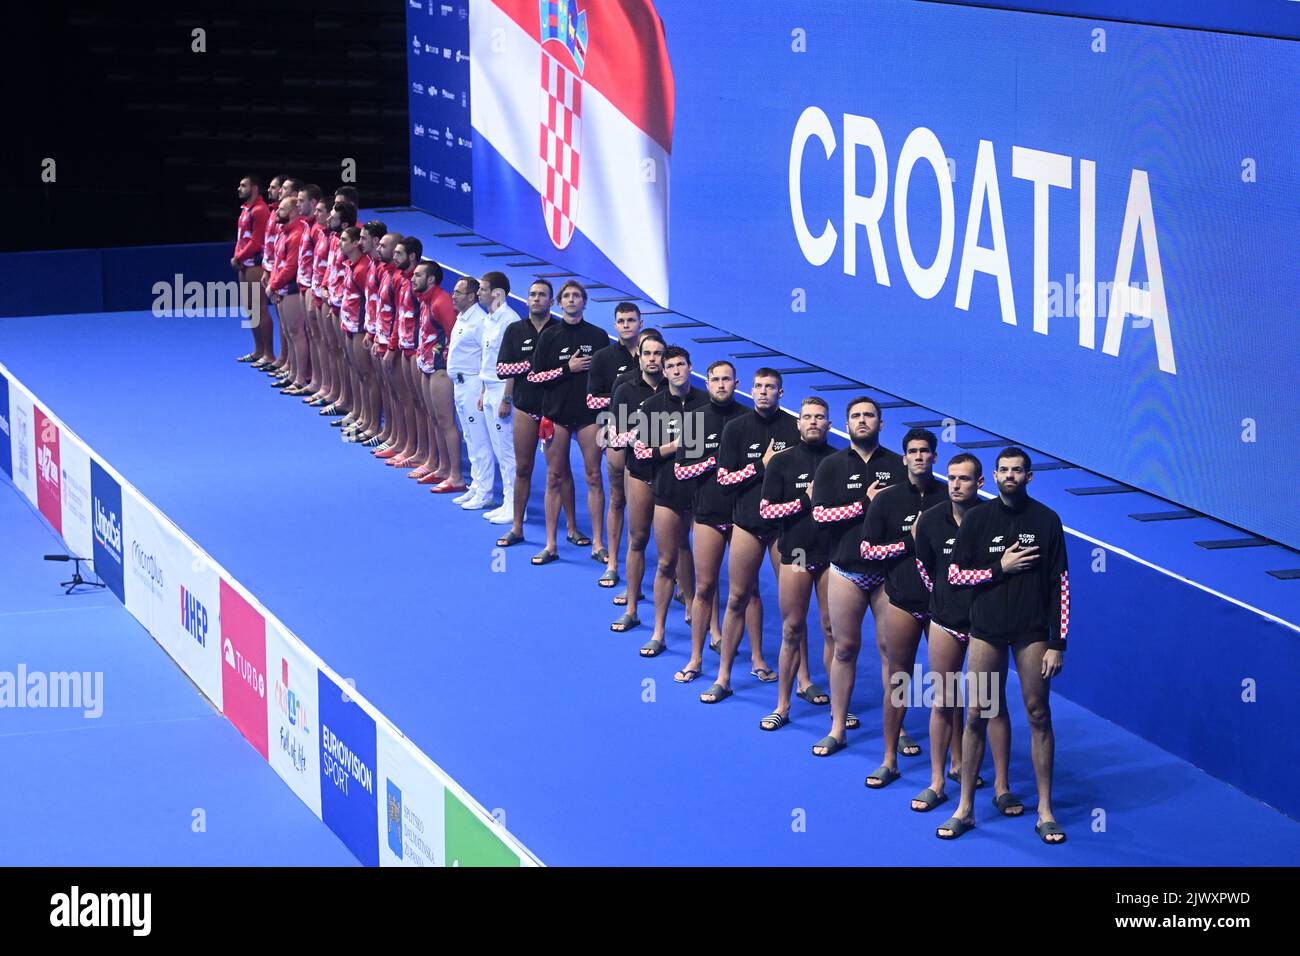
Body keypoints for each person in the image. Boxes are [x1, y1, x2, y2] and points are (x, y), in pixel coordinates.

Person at [937, 447, 1070, 845]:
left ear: (1029, 477)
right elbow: (956, 577)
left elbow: (1059, 585)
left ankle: (1045, 810)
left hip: (1031, 634)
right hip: (987, 631)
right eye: (1004, 470)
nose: (1010, 476)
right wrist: (1001, 568)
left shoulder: (1047, 521)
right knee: (977, 711)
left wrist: (1057, 643)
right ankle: (965, 808)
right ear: (993, 477)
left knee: (1038, 712)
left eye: (1018, 471)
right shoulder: (978, 519)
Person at [910, 453, 1009, 813]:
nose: (955, 484)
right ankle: (937, 781)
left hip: (986, 627)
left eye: (964, 479)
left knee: (990, 705)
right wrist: (943, 599)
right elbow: (925, 568)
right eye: (951, 477)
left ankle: (1001, 785)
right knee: (943, 701)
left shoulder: (995, 521)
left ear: (980, 483)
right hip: (946, 623)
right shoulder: (932, 521)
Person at [808, 397, 906, 755]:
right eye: (855, 416)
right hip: (846, 571)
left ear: (881, 424)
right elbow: (820, 516)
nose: (862, 421)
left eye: (869, 416)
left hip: (887, 574)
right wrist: (864, 504)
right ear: (845, 424)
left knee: (891, 653)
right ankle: (837, 727)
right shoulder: (831, 466)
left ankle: (897, 730)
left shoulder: (899, 467)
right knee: (844, 648)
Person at [698, 369, 796, 704]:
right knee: (737, 598)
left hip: (784, 528)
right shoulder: (736, 428)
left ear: (781, 393)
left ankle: (805, 680)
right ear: (751, 391)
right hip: (748, 525)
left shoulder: (793, 429)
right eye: (759, 387)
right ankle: (723, 676)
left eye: (770, 387)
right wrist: (760, 466)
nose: (764, 392)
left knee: (793, 609)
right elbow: (724, 480)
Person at [859, 428, 950, 789]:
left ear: (934, 457)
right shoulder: (887, 499)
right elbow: (868, 550)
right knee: (899, 680)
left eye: (925, 451)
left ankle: (955, 762)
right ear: (904, 458)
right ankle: (889, 758)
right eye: (912, 451)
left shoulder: (953, 496)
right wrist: (906, 543)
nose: (919, 457)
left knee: (949, 686)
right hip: (901, 602)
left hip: (944, 608)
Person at [753, 396, 837, 728]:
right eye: (807, 417)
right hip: (797, 555)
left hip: (832, 558)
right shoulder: (782, 463)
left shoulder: (840, 461)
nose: (814, 421)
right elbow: (766, 511)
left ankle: (839, 709)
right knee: (791, 629)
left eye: (820, 417)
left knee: (833, 632)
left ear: (830, 424)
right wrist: (805, 500)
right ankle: (782, 706)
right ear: (798, 424)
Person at [525, 280, 610, 565]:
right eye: (567, 297)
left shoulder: (598, 337)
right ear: (560, 303)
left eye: (577, 296)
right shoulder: (549, 337)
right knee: (553, 478)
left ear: (584, 303)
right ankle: (551, 544)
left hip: (588, 418)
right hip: (557, 416)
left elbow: (607, 379)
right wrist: (567, 368)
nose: (572, 300)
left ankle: (598, 543)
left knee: (594, 476)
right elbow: (534, 377)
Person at [671, 360, 745, 683]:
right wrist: (712, 464)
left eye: (726, 379)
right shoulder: (696, 420)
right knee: (704, 587)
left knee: (747, 593)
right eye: (714, 379)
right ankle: (696, 658)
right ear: (708, 382)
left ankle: (755, 658)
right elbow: (680, 470)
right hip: (707, 515)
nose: (720, 384)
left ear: (736, 383)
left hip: (744, 519)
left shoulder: (747, 419)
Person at [492, 279, 581, 546]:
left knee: (562, 470)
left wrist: (539, 370)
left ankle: (573, 527)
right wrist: (532, 366)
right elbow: (501, 370)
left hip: (556, 411)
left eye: (542, 295)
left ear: (551, 302)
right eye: (532, 294)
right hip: (525, 408)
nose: (536, 298)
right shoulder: (515, 330)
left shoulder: (562, 331)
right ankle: (517, 527)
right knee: (523, 467)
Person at [633, 346, 708, 658]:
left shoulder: (707, 404)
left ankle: (712, 629)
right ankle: (659, 631)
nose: (677, 370)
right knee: (666, 562)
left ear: (691, 368)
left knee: (708, 572)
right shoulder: (652, 406)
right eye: (671, 366)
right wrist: (675, 447)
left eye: (681, 364)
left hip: (704, 494)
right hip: (668, 493)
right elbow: (642, 453)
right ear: (663, 372)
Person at [605, 330, 666, 632]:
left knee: (677, 544)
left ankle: (681, 593)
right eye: (648, 354)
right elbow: (614, 437)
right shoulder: (625, 388)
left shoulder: (677, 387)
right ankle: (632, 605)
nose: (653, 359)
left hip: (671, 475)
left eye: (658, 354)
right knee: (638, 538)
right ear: (639, 357)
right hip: (639, 470)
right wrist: (645, 437)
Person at [588, 303, 643, 588]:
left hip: (651, 440)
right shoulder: (603, 358)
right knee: (618, 499)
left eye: (631, 320)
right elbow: (591, 401)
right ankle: (612, 562)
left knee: (654, 508)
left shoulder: (655, 356)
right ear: (614, 325)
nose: (626, 325)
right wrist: (619, 400)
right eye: (621, 321)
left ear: (640, 323)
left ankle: (673, 580)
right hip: (618, 437)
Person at [411, 260, 460, 487]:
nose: (413, 278)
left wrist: (449, 366)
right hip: (427, 365)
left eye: (418, 275)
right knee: (433, 418)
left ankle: (456, 475)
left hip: (440, 369)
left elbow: (454, 336)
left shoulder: (442, 302)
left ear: (431, 279)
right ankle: (441, 467)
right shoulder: (425, 300)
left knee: (446, 421)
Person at [445, 276, 493, 508]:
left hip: (473, 384)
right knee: (470, 439)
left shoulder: (480, 322)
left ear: (472, 296)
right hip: (460, 384)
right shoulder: (463, 317)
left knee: (480, 440)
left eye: (458, 292)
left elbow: (486, 358)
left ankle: (485, 492)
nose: (453, 296)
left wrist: (483, 390)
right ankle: (476, 485)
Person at [477, 272, 517, 524]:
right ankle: (506, 501)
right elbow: (487, 358)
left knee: (507, 452)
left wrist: (507, 398)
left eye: (482, 289)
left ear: (497, 293)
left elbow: (513, 363)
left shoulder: (509, 321)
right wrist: (482, 390)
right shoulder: (489, 319)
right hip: (489, 389)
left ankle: (515, 506)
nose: (478, 292)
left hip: (503, 391)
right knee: (498, 449)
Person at [232, 175, 270, 364]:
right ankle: (258, 350)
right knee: (249, 309)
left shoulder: (261, 210)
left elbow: (256, 242)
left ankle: (268, 354)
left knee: (259, 309)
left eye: (243, 185)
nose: (239, 188)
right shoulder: (246, 210)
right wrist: (237, 255)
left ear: (254, 188)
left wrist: (238, 257)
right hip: (244, 264)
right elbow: (242, 238)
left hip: (254, 264)